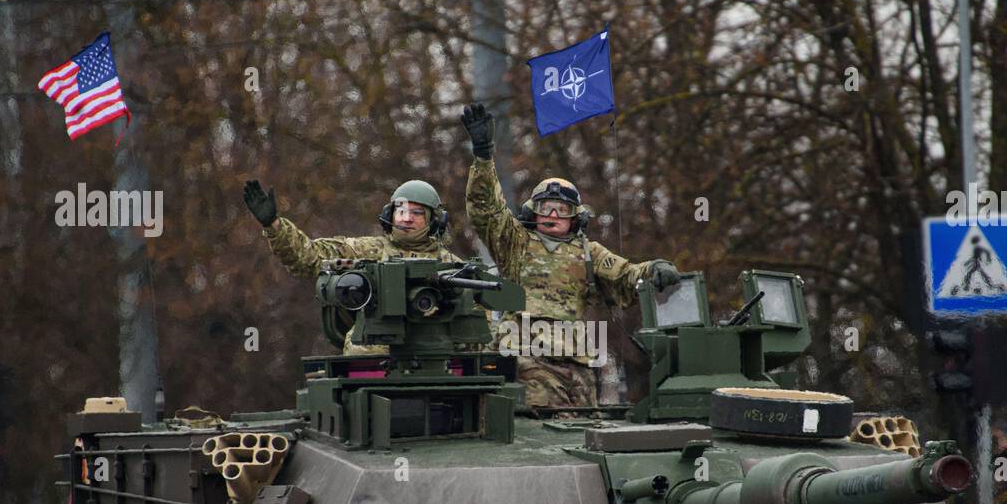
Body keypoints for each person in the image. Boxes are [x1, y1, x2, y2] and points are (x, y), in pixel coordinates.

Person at [460, 102, 682, 408]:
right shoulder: (516, 242)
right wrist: (483, 156)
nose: (552, 214)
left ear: (575, 216)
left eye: (561, 209)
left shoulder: (588, 252)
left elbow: (626, 275)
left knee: (584, 432)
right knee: (542, 429)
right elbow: (487, 210)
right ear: (532, 213)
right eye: (544, 207)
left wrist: (655, 269)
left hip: (578, 362)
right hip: (529, 358)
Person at [243, 178, 464, 355]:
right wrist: (274, 226)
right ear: (390, 215)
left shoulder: (453, 267)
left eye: (417, 213)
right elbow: (309, 258)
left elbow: (478, 324)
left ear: (435, 220)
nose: (407, 219)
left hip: (439, 360)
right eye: (402, 211)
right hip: (372, 360)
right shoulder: (367, 251)